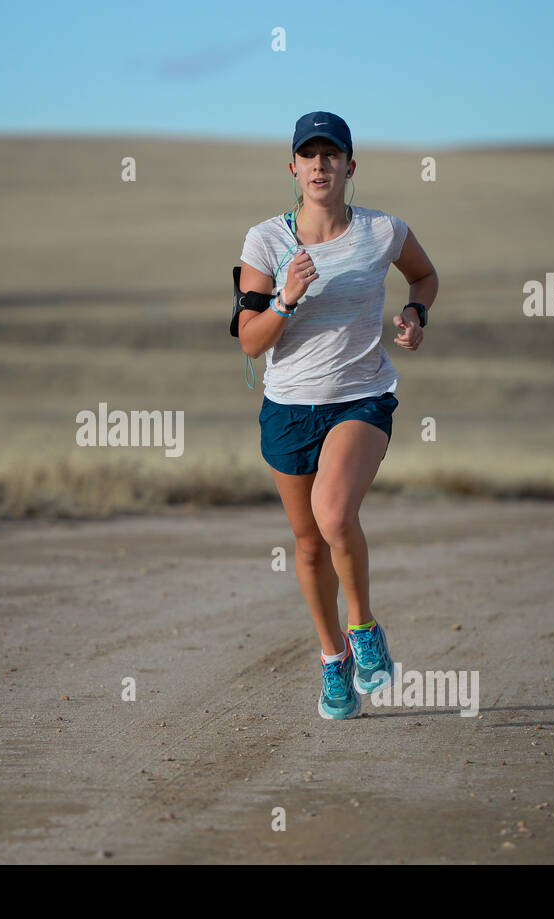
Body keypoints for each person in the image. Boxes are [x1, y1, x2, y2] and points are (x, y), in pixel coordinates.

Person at [236, 111, 438, 720]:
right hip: (289, 408)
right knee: (307, 545)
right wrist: (286, 300)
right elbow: (250, 341)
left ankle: (365, 628)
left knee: (333, 512)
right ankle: (333, 662)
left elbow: (424, 277)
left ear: (351, 166)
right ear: (292, 167)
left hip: (361, 398)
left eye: (332, 155)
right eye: (309, 155)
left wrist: (415, 313)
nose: (320, 165)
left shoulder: (382, 231)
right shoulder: (266, 241)